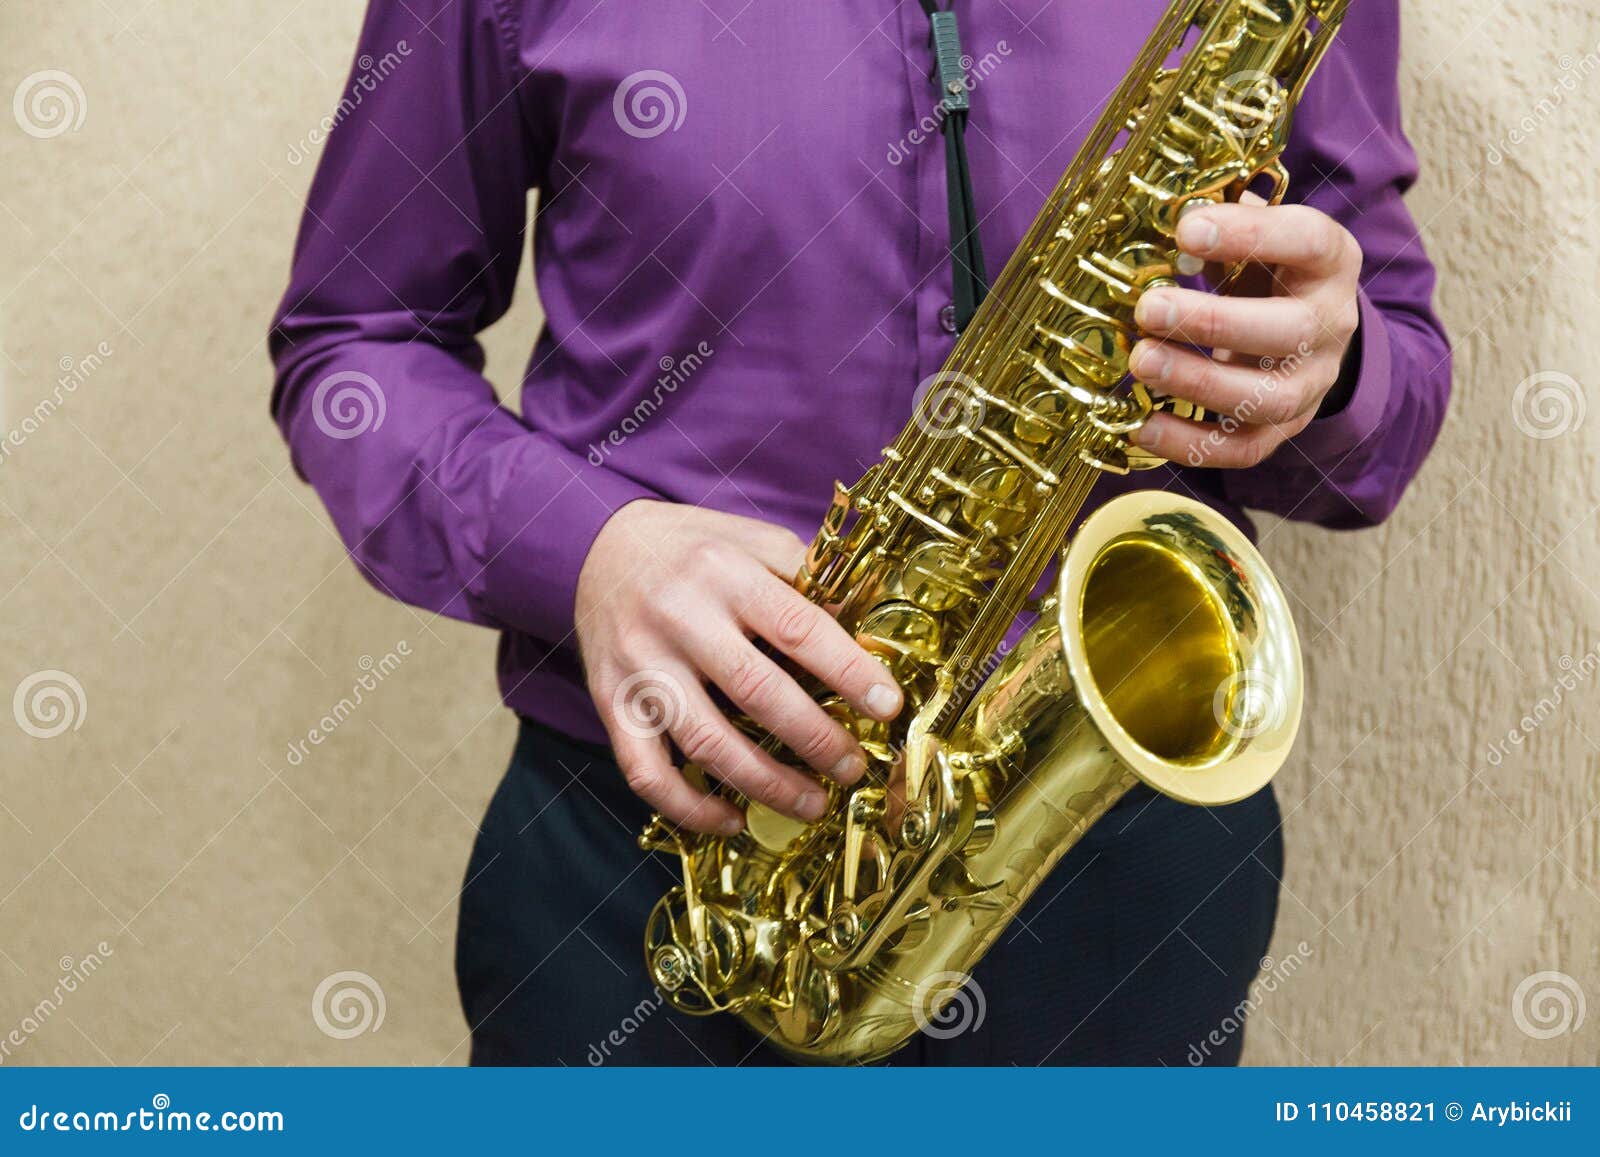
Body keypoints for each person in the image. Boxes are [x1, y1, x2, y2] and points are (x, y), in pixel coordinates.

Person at [269, 0, 1449, 1065]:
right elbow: (353, 345)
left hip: (1116, 892)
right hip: (659, 870)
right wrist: (589, 552)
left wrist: (1328, 369)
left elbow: (1387, 391)